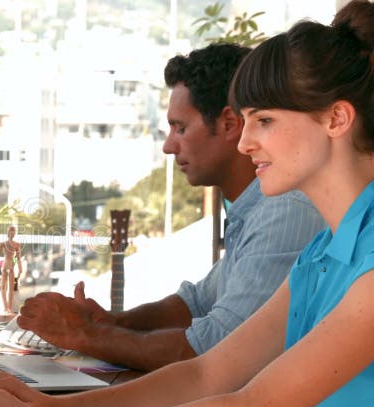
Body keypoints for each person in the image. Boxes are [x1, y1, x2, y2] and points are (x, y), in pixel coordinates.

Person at [0, 2, 374, 407]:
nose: (245, 142)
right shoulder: (324, 252)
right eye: (245, 122)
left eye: (264, 121)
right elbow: (207, 374)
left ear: (336, 119)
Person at [16, 42, 326, 371]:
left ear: (229, 124)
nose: (168, 145)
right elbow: (196, 302)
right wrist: (112, 323)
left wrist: (84, 336)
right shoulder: (256, 208)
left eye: (180, 128)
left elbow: (213, 350)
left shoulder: (285, 211)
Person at [0, 225, 22, 316]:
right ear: (8, 233)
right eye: (10, 231)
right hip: (4, 267)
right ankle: (5, 307)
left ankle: (9, 308)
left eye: (13, 231)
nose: (12, 233)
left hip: (11, 268)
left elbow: (17, 257)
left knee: (10, 288)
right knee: (3, 287)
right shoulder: (3, 244)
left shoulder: (17, 245)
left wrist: (17, 265)